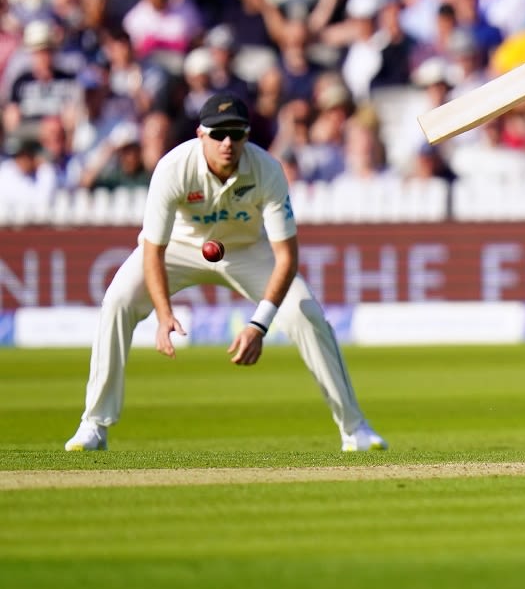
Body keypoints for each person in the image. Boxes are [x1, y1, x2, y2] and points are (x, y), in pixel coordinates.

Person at [63, 92, 387, 452]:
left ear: (247, 135)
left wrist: (258, 324)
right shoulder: (174, 168)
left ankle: (354, 428)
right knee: (118, 301)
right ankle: (94, 425)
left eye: (235, 133)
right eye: (218, 135)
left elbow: (287, 257)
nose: (227, 143)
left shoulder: (266, 169)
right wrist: (164, 313)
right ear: (201, 135)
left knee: (305, 311)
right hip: (180, 247)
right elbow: (153, 248)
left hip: (247, 251)